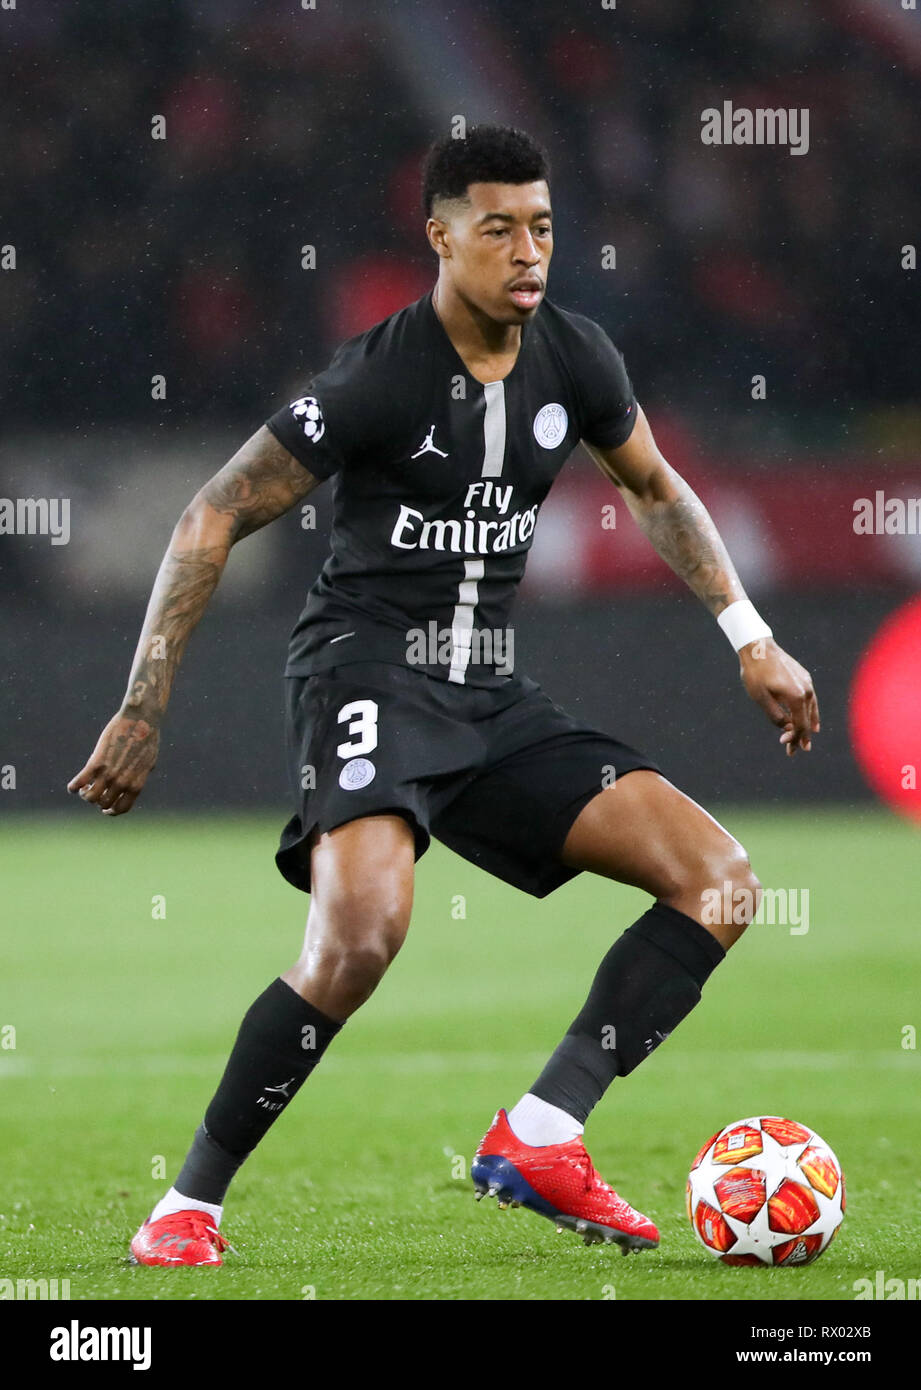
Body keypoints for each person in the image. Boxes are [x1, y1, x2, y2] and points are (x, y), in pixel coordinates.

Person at [68, 125, 819, 1266]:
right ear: (441, 236)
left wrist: (749, 634)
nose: (529, 252)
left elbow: (658, 489)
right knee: (362, 935)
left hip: (489, 696)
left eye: (546, 227)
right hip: (365, 671)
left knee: (717, 881)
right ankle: (188, 1205)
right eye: (500, 228)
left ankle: (541, 1132)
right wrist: (142, 700)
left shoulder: (577, 358)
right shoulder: (380, 375)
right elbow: (209, 512)